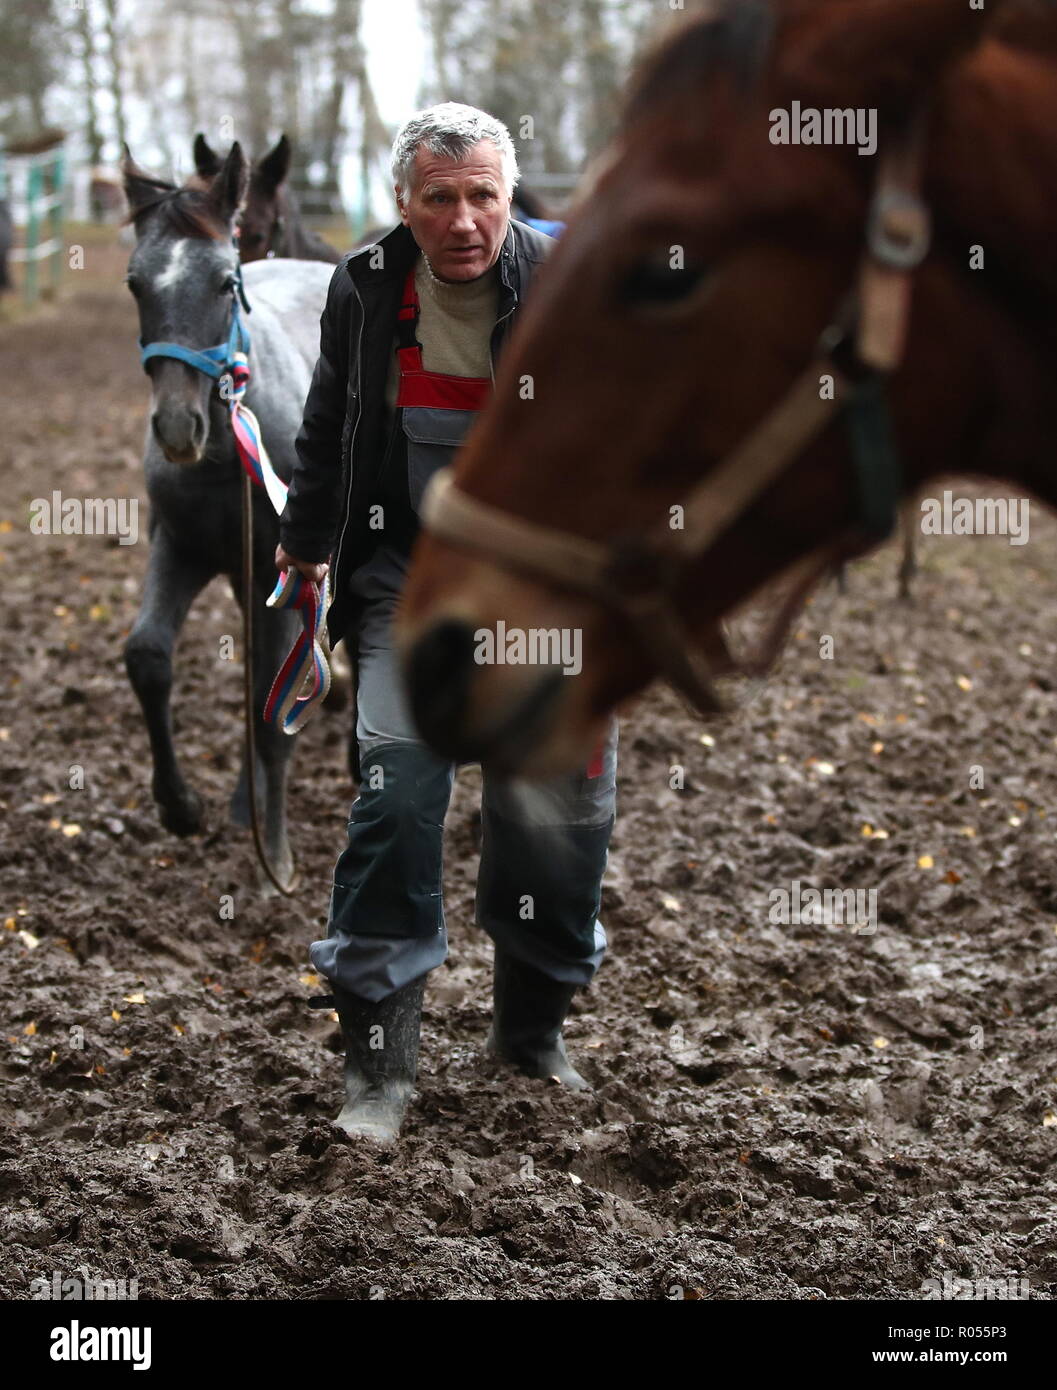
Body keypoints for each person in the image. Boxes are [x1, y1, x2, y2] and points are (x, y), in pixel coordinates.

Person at [276, 103, 618, 1144]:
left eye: (484, 196)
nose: (464, 219)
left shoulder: (567, 283)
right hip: (406, 584)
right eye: (439, 197)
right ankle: (378, 1062)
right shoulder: (369, 284)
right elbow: (334, 414)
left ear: (508, 199)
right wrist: (306, 541)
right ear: (403, 204)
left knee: (555, 806)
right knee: (398, 784)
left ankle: (530, 1027)